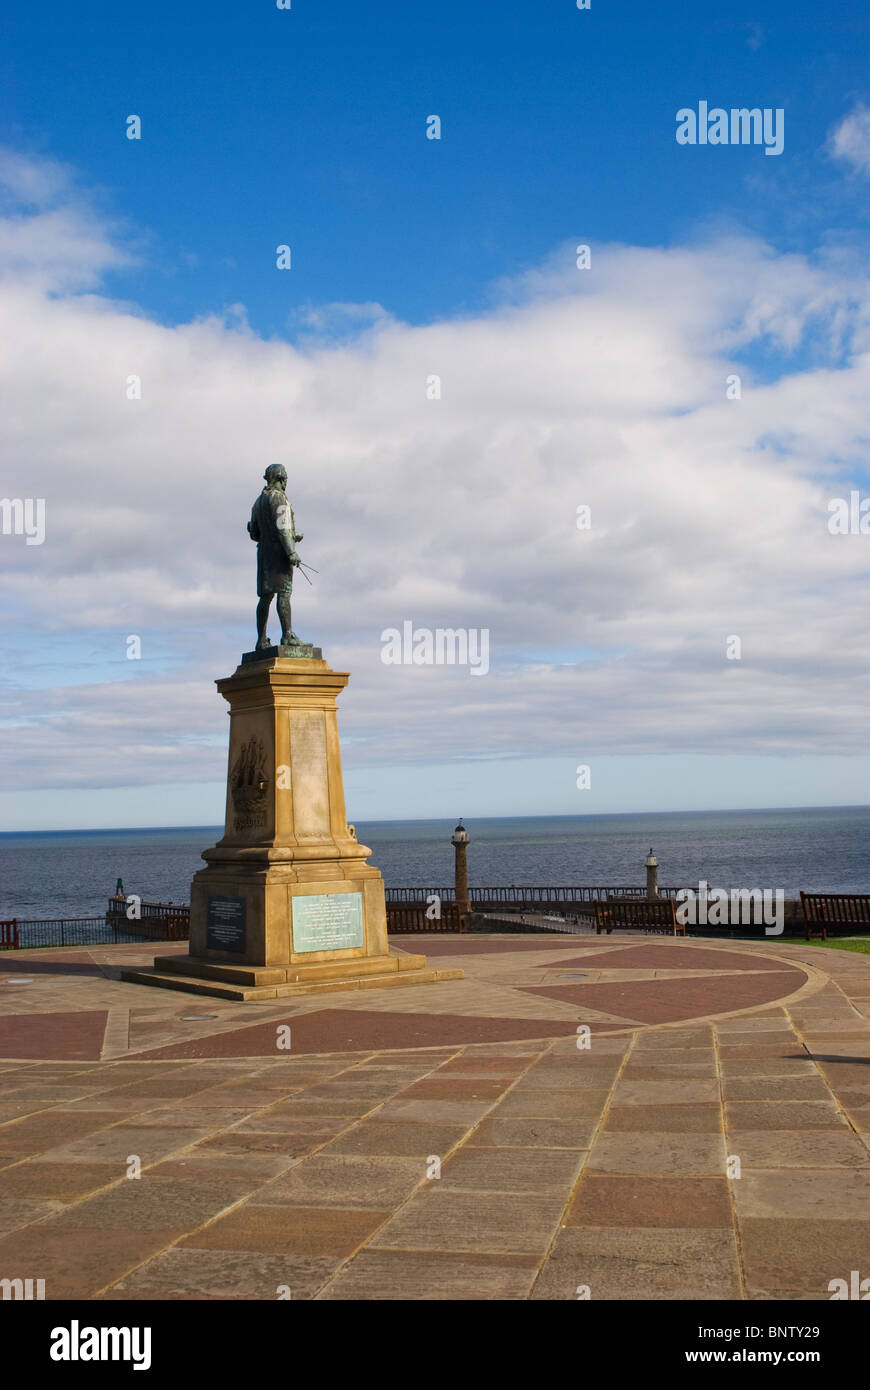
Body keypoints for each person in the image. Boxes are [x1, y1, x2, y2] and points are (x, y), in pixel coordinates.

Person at [247, 464, 303, 648]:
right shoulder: (279, 498)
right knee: (284, 594)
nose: (286, 482)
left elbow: (255, 534)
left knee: (265, 597)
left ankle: (261, 640)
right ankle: (287, 635)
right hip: (279, 555)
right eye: (285, 478)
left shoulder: (258, 502)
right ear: (280, 478)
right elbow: (282, 528)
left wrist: (293, 536)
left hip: (264, 554)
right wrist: (291, 551)